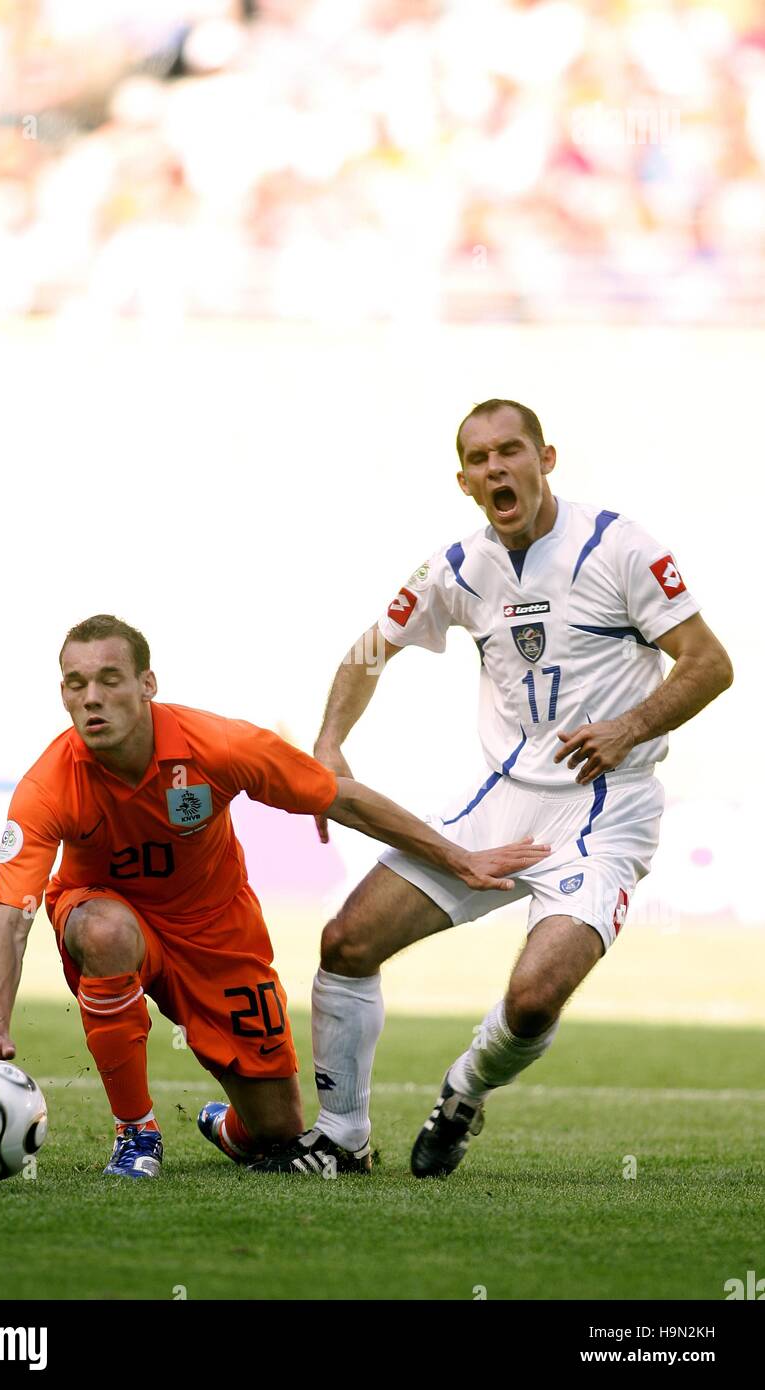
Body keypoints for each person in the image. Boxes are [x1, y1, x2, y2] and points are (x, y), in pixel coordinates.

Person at [249, 398, 733, 1178]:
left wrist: (625, 728)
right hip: (502, 801)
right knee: (346, 942)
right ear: (464, 481)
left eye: (509, 451)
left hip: (606, 810)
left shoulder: (619, 547)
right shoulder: (458, 566)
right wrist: (330, 743)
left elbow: (710, 662)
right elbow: (370, 650)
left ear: (545, 459)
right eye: (478, 460)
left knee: (535, 997)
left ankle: (463, 1093)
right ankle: (340, 1139)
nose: (495, 468)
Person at [0, 612, 549, 1179]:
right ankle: (136, 1132)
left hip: (216, 934)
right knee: (106, 930)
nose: (91, 698)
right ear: (63, 694)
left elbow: (340, 798)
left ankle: (226, 1125)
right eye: (76, 685)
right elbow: (9, 918)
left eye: (109, 679)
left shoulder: (215, 746)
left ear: (147, 684)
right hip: (106, 913)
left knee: (277, 1133)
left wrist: (459, 857)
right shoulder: (48, 784)